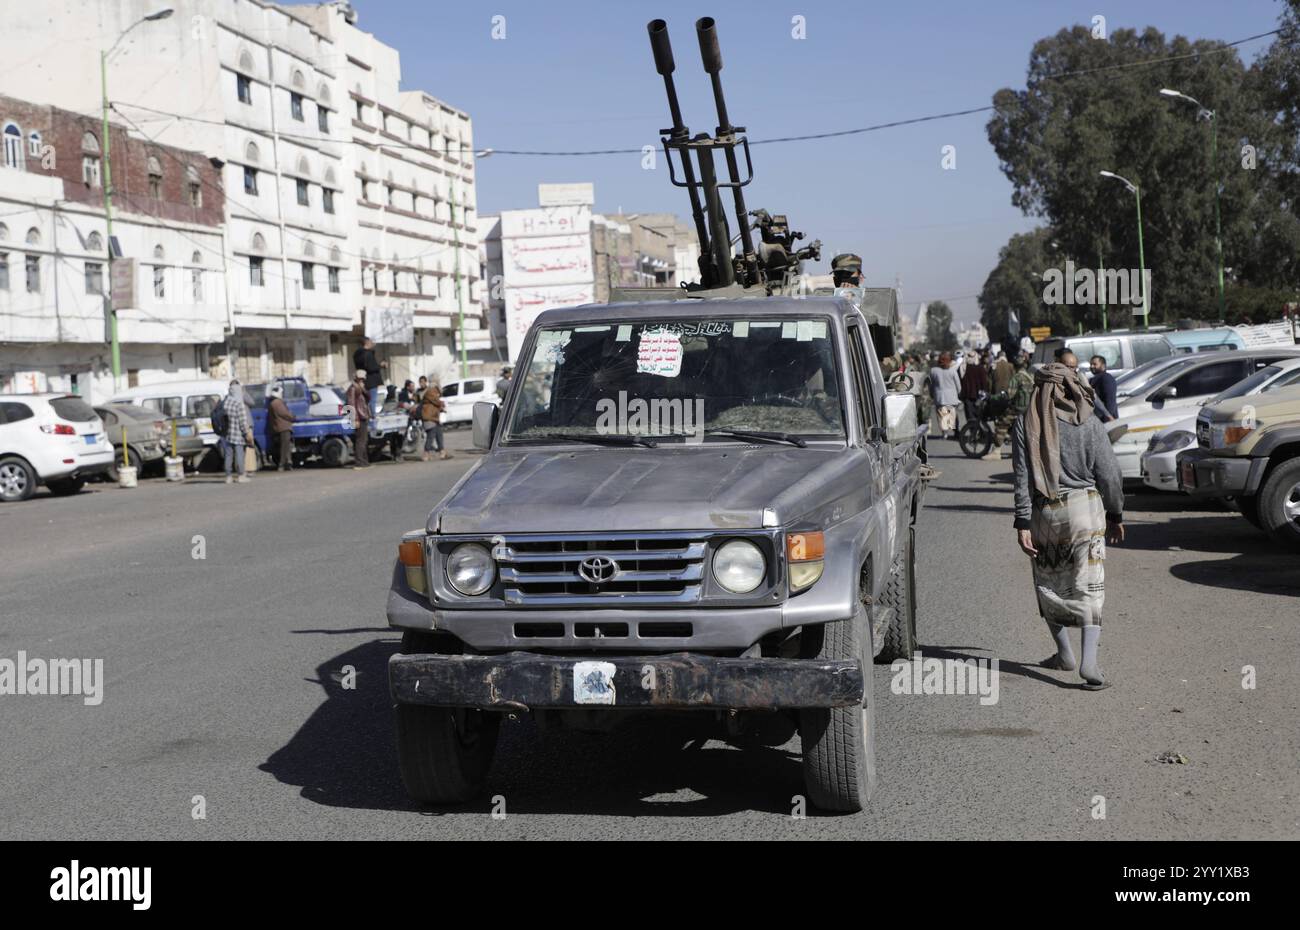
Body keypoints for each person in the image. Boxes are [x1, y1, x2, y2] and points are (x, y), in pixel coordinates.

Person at [1010, 361, 1125, 690]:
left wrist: (1022, 522)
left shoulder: (1027, 421)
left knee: (1048, 583)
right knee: (1089, 585)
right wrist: (1116, 514)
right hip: (1085, 512)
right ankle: (1089, 663)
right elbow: (1110, 474)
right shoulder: (1090, 422)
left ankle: (1064, 654)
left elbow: (1022, 479)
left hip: (1045, 513)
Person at [987, 353, 1034, 460]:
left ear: (1014, 366)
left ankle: (996, 451)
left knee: (1001, 424)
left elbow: (1009, 395)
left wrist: (994, 397)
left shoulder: (1017, 377)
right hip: (1029, 409)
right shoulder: (1030, 377)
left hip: (1017, 409)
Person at [220, 379, 253, 484]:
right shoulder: (239, 404)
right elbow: (243, 422)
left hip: (228, 434)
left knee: (228, 455)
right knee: (239, 455)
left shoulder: (227, 402)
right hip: (238, 435)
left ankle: (228, 476)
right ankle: (241, 475)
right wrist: (247, 433)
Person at [928, 351, 962, 439]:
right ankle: (955, 431)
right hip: (951, 397)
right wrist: (958, 393)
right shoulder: (952, 371)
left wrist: (932, 394)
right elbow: (958, 385)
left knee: (941, 416)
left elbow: (931, 385)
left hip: (939, 397)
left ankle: (945, 433)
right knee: (952, 415)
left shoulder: (933, 371)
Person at [345, 370, 372, 469]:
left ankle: (365, 461)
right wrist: (354, 419)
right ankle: (359, 462)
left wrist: (363, 389)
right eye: (360, 379)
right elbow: (350, 404)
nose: (361, 381)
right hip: (358, 417)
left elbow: (369, 398)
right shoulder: (352, 388)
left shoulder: (360, 388)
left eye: (362, 379)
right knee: (360, 440)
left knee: (364, 440)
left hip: (363, 416)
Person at [352, 338, 385, 415]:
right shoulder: (368, 354)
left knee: (365, 401)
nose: (373, 343)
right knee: (372, 401)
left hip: (362, 380)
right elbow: (371, 367)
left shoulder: (357, 354)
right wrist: (381, 365)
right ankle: (372, 418)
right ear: (367, 342)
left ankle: (368, 416)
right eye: (372, 341)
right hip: (371, 381)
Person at [267, 384, 296, 471]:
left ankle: (288, 463)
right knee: (285, 446)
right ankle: (282, 464)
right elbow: (284, 413)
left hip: (281, 426)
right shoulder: (277, 402)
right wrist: (292, 417)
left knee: (286, 446)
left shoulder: (273, 402)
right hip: (284, 427)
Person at [419, 378, 449, 461]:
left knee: (439, 433)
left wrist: (441, 408)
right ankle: (426, 454)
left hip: (434, 417)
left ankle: (442, 452)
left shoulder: (433, 391)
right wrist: (442, 404)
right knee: (431, 435)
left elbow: (435, 403)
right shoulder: (431, 391)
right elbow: (436, 401)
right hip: (429, 417)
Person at [959, 352, 990, 427]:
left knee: (970, 417)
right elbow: (984, 383)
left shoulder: (963, 368)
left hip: (967, 396)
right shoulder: (980, 368)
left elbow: (961, 382)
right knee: (979, 416)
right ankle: (979, 433)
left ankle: (973, 433)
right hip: (979, 396)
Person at [1089, 355, 1119, 422]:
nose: (1091, 366)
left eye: (1094, 364)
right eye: (1091, 364)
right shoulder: (1093, 379)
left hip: (1106, 420)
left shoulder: (1106, 378)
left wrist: (1107, 419)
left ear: (1103, 366)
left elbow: (1110, 401)